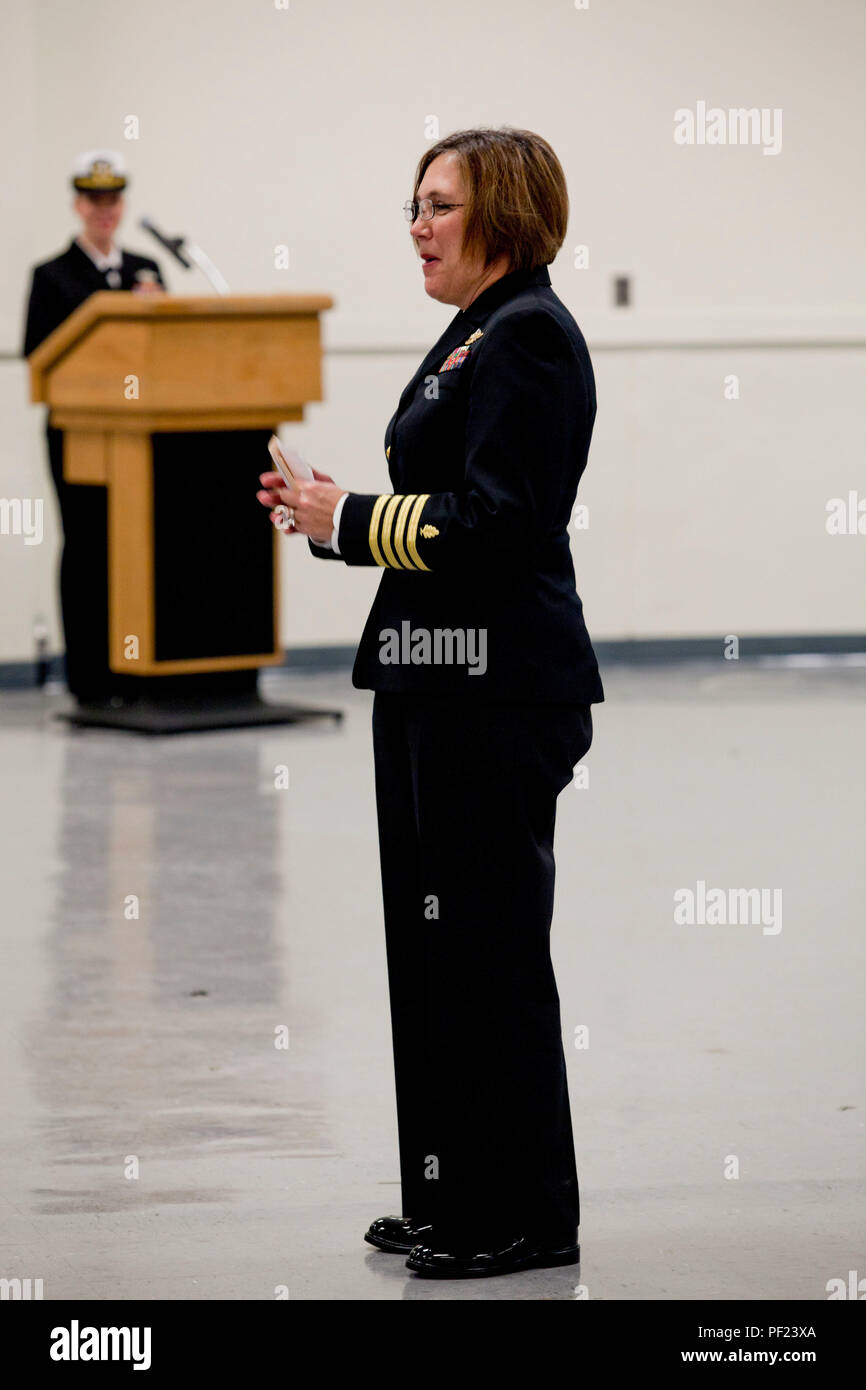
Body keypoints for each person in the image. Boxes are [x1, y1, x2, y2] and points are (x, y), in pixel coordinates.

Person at [257, 126, 605, 1279]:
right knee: (434, 950)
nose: (414, 223)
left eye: (438, 205)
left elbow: (501, 524)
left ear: (503, 215)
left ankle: (523, 1215)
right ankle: (452, 1197)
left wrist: (349, 517)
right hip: (431, 676)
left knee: (490, 955)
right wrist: (327, 515)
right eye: (413, 202)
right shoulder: (471, 335)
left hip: (497, 691)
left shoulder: (530, 339)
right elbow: (434, 513)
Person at [22, 150, 166, 705]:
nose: (104, 211)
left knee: (136, 546)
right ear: (78, 205)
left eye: (112, 200)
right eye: (93, 200)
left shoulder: (146, 270)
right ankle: (88, 677)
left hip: (139, 433)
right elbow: (41, 360)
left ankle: (137, 670)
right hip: (79, 433)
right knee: (86, 547)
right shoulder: (52, 276)